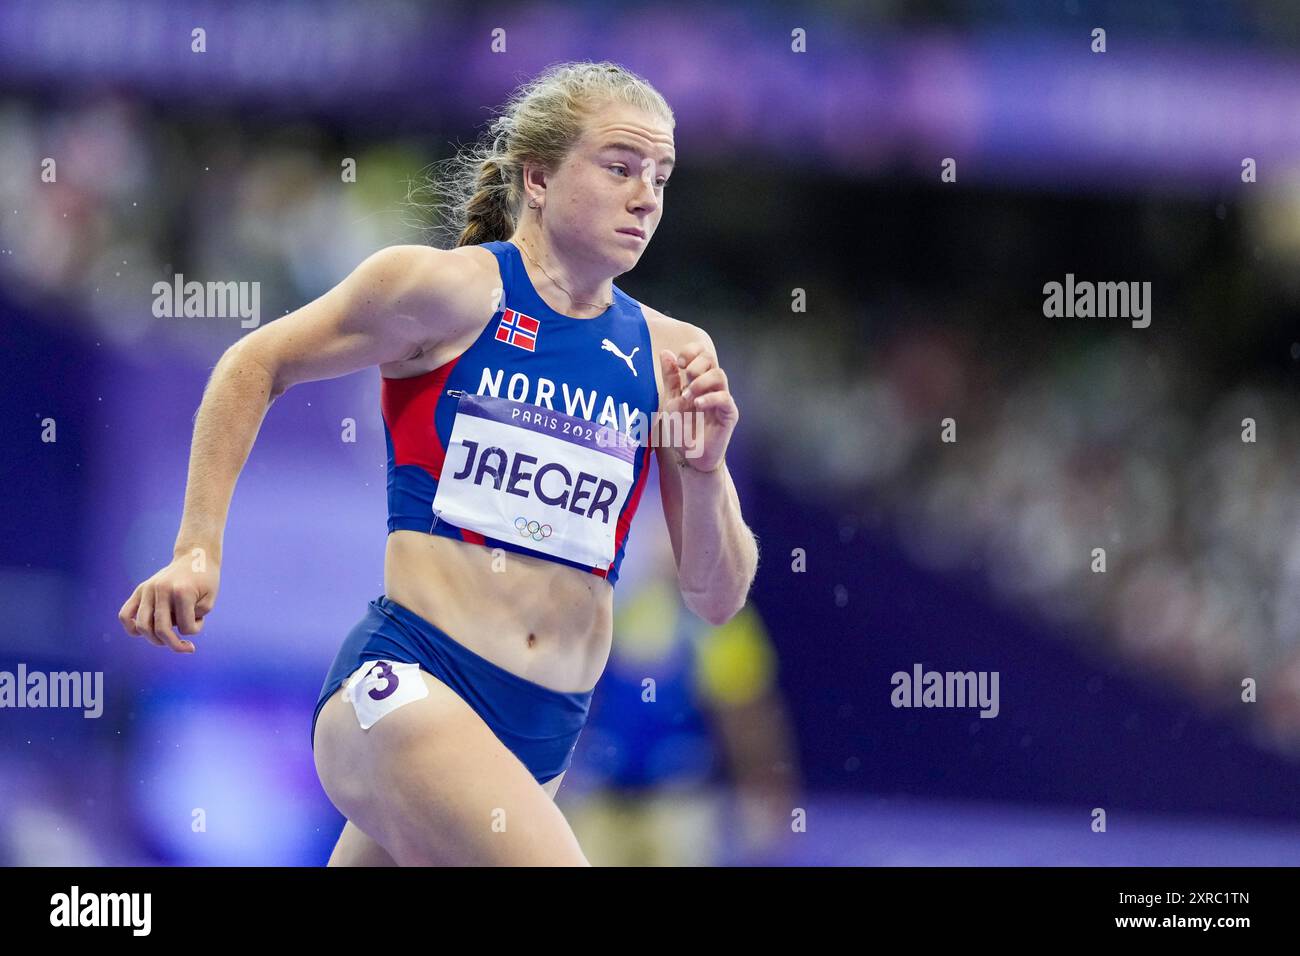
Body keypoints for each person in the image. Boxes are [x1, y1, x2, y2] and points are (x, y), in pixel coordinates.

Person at [116, 60, 759, 866]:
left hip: (542, 737)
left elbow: (714, 595)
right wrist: (197, 547)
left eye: (661, 178)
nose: (646, 198)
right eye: (621, 168)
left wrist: (704, 472)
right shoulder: (447, 293)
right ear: (539, 178)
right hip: (406, 691)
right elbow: (255, 364)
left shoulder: (674, 354)